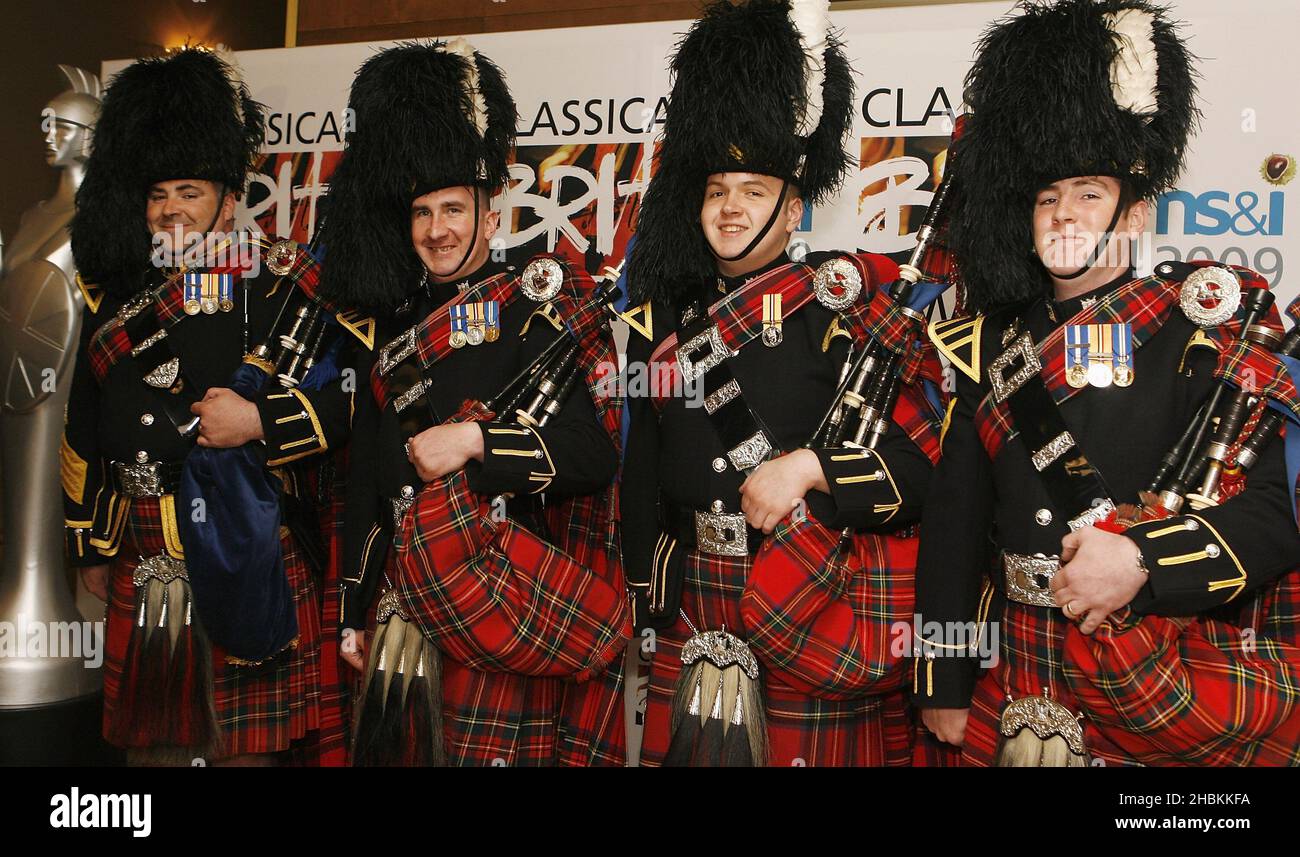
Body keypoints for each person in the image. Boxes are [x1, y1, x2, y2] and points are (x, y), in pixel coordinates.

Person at [914, 0, 1300, 766]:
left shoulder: (1198, 331)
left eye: (1088, 193)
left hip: (1150, 672)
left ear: (1136, 211)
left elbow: (1273, 521)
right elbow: (953, 532)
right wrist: (942, 679)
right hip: (1012, 675)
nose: (1063, 215)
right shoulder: (984, 343)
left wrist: (1145, 562)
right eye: (1047, 197)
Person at [620, 0, 946, 766]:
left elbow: (921, 468)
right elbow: (645, 466)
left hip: (806, 602)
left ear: (794, 206)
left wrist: (812, 467)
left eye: (754, 190)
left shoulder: (841, 306)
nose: (731, 207)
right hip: (692, 607)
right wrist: (647, 589)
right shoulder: (665, 317)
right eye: (716, 189)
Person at [320, 39, 629, 767]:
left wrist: (478, 443)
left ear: (491, 217)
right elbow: (368, 482)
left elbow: (594, 455)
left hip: (497, 601)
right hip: (402, 612)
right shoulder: (388, 329)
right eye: (423, 212)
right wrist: (354, 610)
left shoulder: (535, 311)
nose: (437, 229)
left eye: (455, 208)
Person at [62, 48, 353, 764]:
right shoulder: (118, 300)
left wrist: (260, 421)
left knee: (242, 758)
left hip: (242, 545)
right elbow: (85, 427)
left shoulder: (284, 284)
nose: (169, 209)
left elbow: (350, 401)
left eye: (187, 191)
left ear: (229, 197)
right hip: (141, 551)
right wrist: (89, 544)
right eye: (157, 193)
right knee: (150, 756)